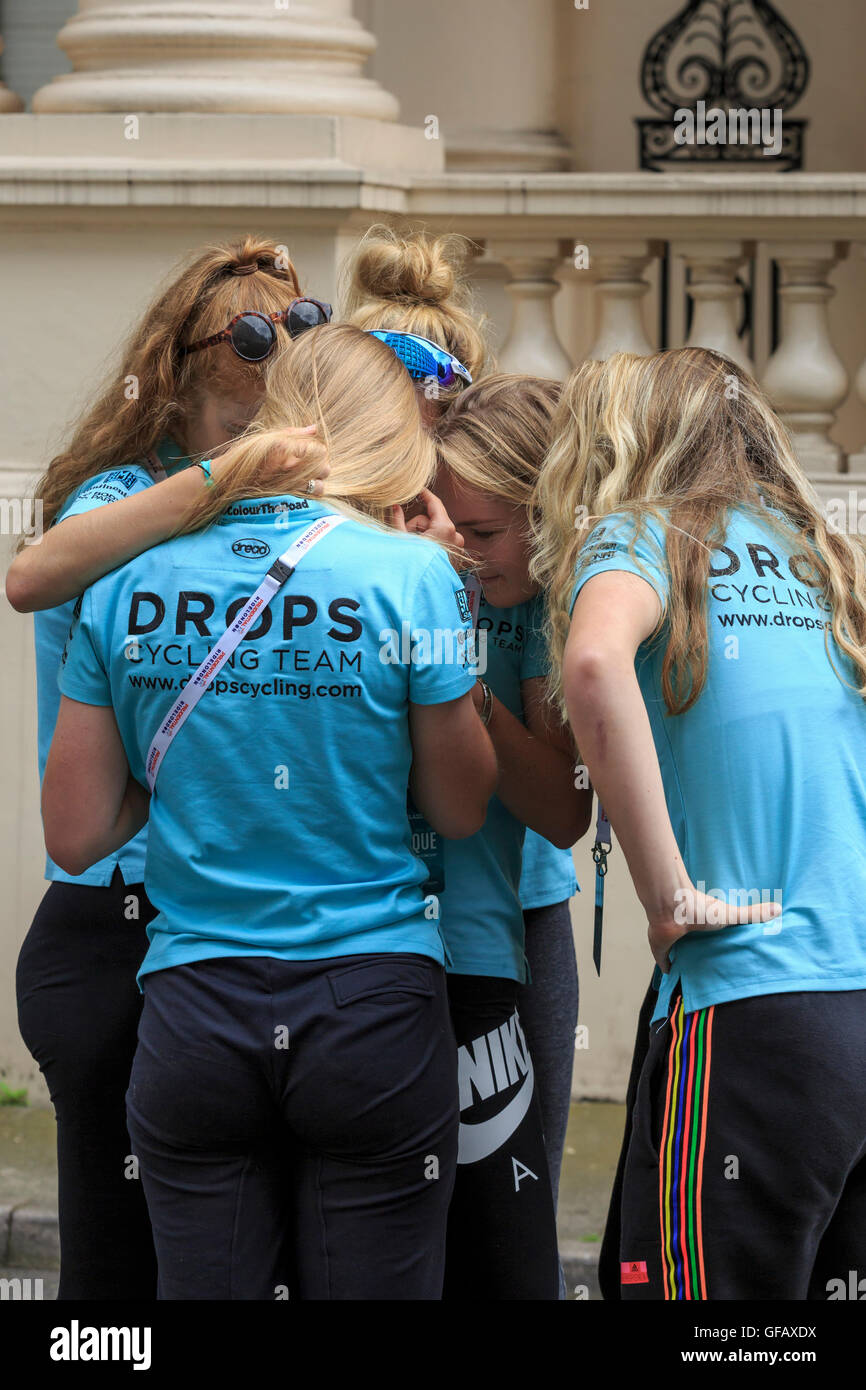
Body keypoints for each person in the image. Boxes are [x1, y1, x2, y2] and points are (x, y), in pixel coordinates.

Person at [42, 321, 498, 1301]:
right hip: (371, 1001)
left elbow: (75, 833)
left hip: (194, 1008)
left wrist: (195, 783)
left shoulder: (127, 577)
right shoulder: (411, 575)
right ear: (391, 438)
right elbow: (459, 808)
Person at [8, 235, 329, 1300]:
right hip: (113, 923)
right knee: (113, 1273)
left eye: (277, 422)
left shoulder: (296, 511)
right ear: (187, 389)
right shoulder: (114, 500)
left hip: (233, 930)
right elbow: (35, 573)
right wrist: (227, 473)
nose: (264, 445)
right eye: (241, 423)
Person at [533, 345, 866, 1300]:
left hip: (752, 1007)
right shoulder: (816, 552)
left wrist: (664, 890)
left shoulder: (646, 533)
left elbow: (594, 664)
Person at [344, 232, 588, 1298]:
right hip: (366, 939)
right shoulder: (346, 554)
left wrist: (456, 659)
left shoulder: (522, 585)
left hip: (502, 921)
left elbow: (561, 811)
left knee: (502, 1225)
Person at [434, 374, 583, 1224]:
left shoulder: (549, 604)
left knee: (518, 1209)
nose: (465, 554)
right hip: (403, 933)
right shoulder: (419, 567)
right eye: (455, 530)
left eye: (486, 533)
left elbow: (565, 811)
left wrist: (461, 685)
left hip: (520, 919)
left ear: (550, 510)